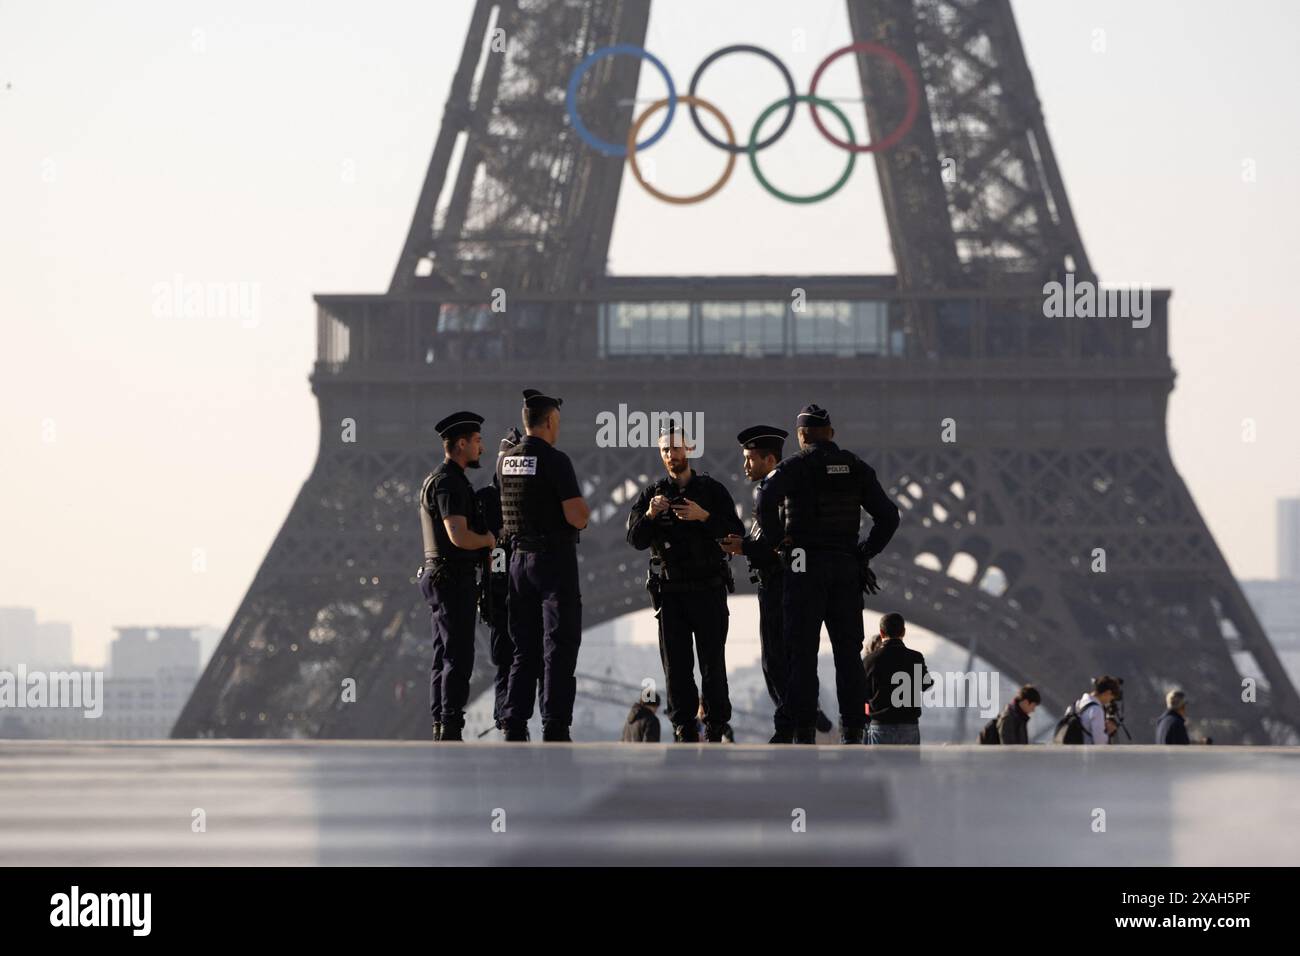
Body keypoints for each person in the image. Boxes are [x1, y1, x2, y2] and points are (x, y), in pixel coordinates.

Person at [758, 404, 900, 744]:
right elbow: (889, 516)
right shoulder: (856, 468)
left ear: (801, 436)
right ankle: (853, 728)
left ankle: (804, 727)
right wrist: (864, 551)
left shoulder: (794, 468)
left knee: (802, 653)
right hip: (845, 567)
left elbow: (764, 499)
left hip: (803, 566)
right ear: (832, 434)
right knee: (848, 653)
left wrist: (780, 543)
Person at [627, 424, 744, 742]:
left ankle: (717, 724)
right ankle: (683, 725)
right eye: (665, 449)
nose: (670, 454)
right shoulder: (651, 494)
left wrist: (703, 517)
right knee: (676, 667)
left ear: (688, 449)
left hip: (708, 588)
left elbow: (737, 533)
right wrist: (650, 516)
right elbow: (634, 539)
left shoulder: (712, 491)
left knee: (712, 663)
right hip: (671, 592)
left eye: (676, 448)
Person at [497, 389, 590, 742]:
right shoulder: (555, 460)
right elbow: (577, 515)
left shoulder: (504, 460)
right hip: (553, 561)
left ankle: (514, 721)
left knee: (524, 648)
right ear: (550, 421)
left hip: (518, 561)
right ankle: (554, 724)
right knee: (559, 644)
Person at [418, 411, 495, 741]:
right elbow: (458, 536)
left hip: (439, 575)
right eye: (477, 441)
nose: (482, 447)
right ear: (461, 443)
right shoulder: (449, 482)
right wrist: (490, 540)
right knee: (458, 654)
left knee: (443, 654)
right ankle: (450, 723)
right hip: (452, 577)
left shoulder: (442, 478)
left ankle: (442, 721)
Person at [721, 425, 793, 743]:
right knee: (777, 657)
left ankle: (790, 720)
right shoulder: (774, 488)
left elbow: (779, 544)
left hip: (778, 584)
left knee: (776, 658)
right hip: (774, 583)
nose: (745, 465)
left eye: (750, 458)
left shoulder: (776, 491)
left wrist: (744, 547)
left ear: (768, 458)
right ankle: (793, 716)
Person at [862, 612, 932, 745]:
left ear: (881, 633)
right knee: (908, 765)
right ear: (903, 632)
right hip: (908, 724)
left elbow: (863, 694)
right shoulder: (915, 657)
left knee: (880, 766)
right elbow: (926, 684)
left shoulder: (869, 661)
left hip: (880, 726)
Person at [1059, 675, 1121, 745]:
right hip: (1085, 754)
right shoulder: (1096, 710)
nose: (1109, 702)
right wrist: (1108, 731)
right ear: (1108, 693)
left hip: (1068, 752)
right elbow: (1099, 742)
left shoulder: (1074, 706)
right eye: (1111, 698)